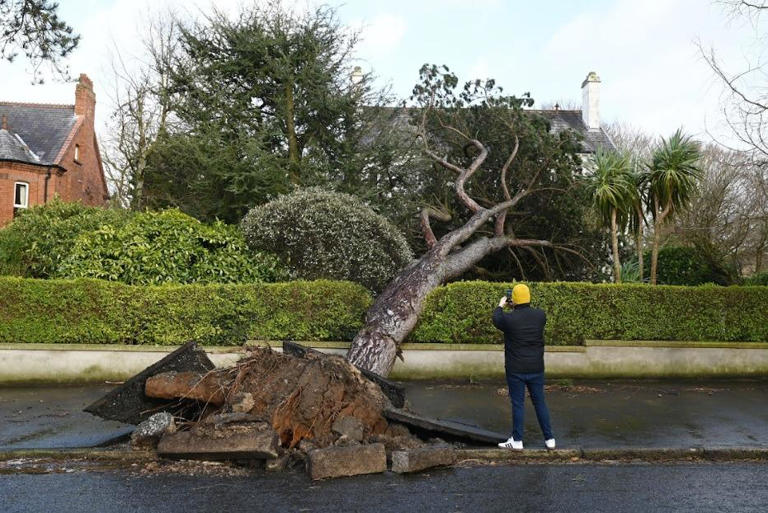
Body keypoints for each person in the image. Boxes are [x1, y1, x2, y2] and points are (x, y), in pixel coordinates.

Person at [492, 284, 555, 450]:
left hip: (516, 369)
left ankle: (517, 440)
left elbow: (496, 318)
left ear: (514, 300)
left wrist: (501, 304)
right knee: (540, 402)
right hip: (536, 368)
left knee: (518, 403)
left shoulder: (509, 319)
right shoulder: (540, 316)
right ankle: (550, 439)